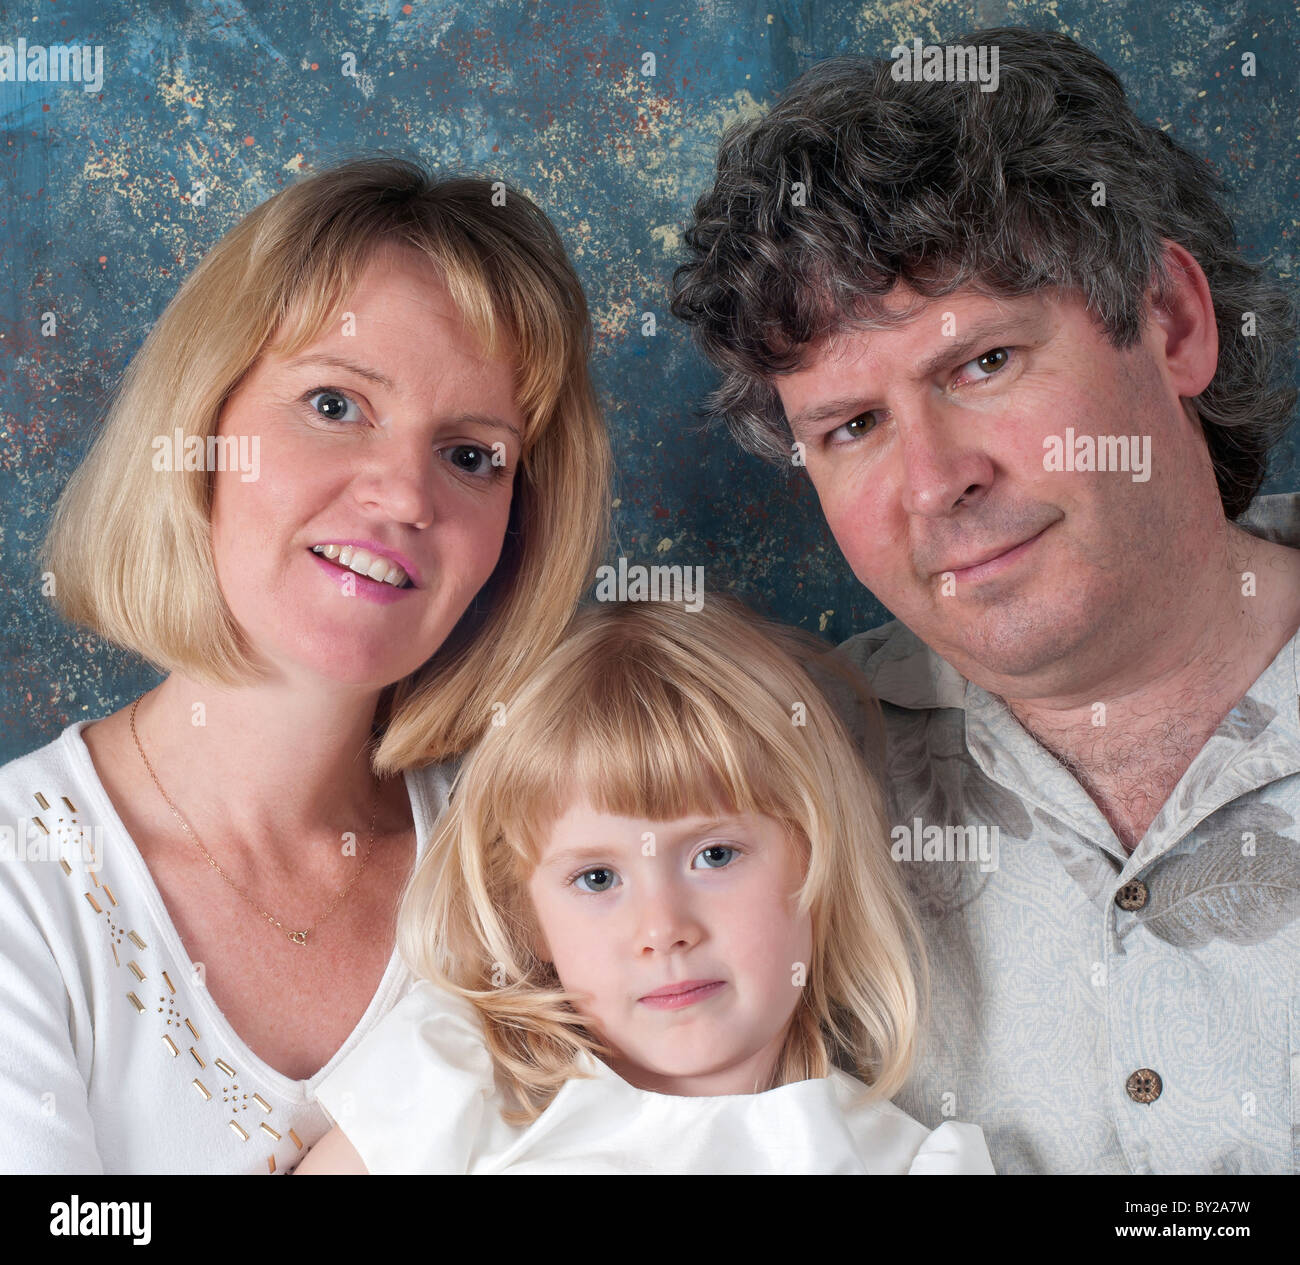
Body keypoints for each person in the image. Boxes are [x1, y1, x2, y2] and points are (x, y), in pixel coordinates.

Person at [669, 27, 1300, 1173]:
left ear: (1171, 323)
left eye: (982, 365)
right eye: (851, 427)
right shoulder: (773, 786)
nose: (934, 481)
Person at [0, 156, 610, 1174]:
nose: (404, 494)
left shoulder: (545, 854)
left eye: (471, 454)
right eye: (335, 403)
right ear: (198, 427)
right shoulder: (26, 884)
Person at [294, 597, 994, 1174]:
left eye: (716, 855)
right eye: (597, 877)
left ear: (815, 864)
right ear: (528, 914)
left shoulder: (900, 1162)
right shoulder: (463, 1082)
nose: (664, 928)